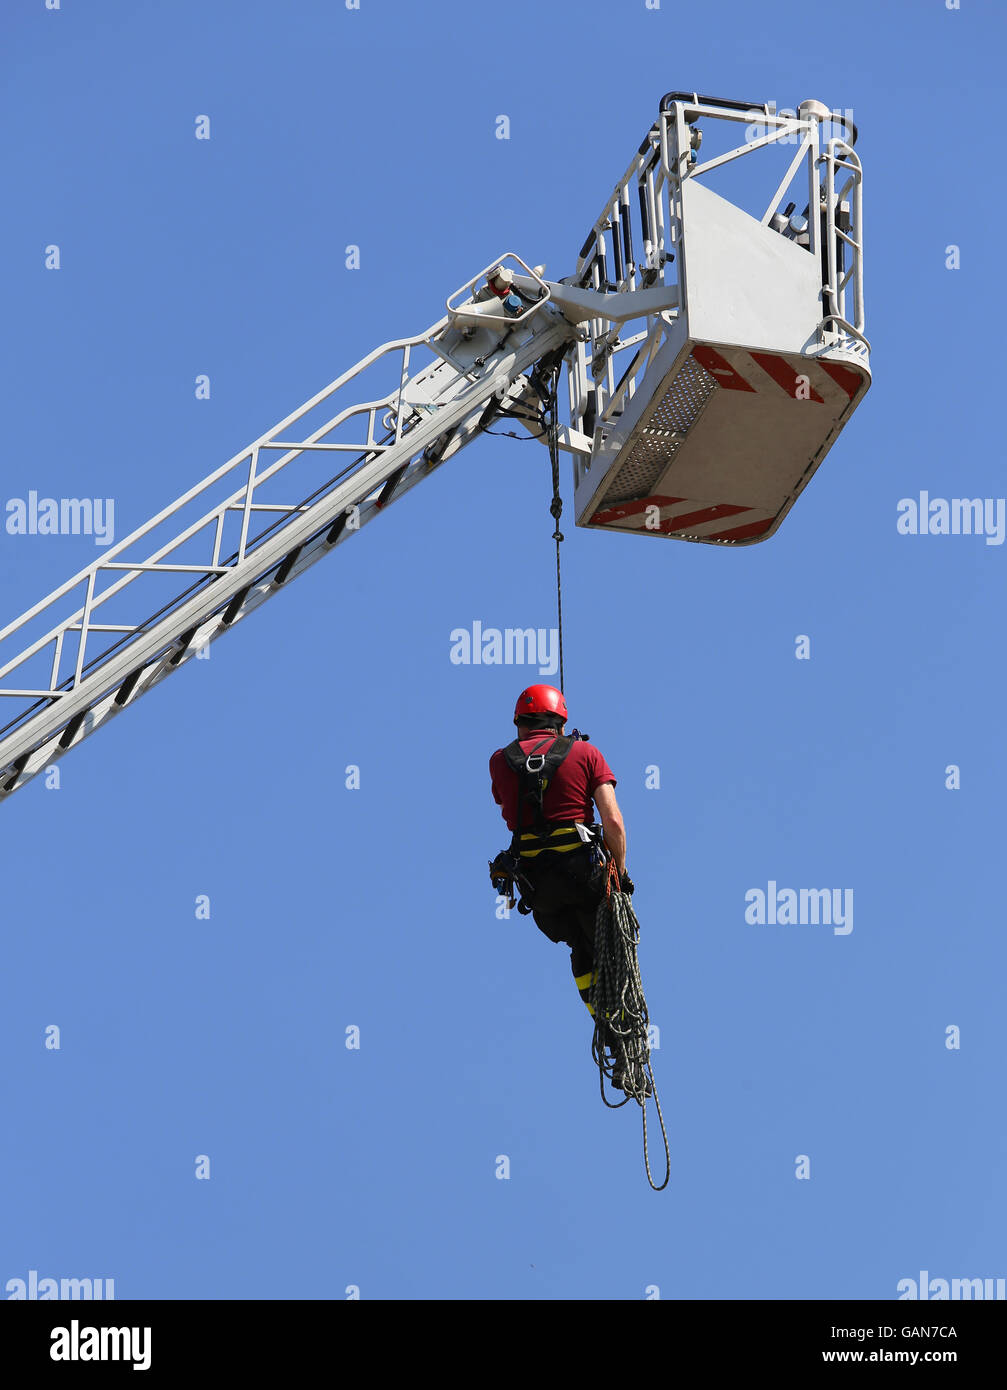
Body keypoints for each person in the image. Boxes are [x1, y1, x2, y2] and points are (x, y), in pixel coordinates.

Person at [489, 683, 632, 1028]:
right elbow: (612, 820)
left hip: (538, 890)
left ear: (520, 722)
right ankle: (623, 1020)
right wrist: (621, 875)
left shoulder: (499, 762)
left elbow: (507, 806)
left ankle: (603, 1023)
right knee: (608, 941)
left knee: (579, 946)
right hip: (584, 877)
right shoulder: (587, 755)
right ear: (561, 722)